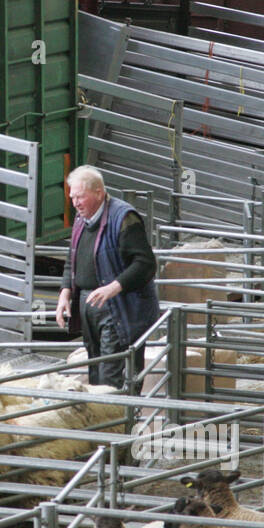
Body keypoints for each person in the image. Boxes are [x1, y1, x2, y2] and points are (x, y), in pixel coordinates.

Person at [54, 166, 161, 388]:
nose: (75, 203)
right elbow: (72, 258)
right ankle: (106, 417)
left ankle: (121, 419)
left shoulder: (123, 218)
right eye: (72, 197)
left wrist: (114, 287)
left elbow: (146, 263)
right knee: (96, 369)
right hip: (89, 305)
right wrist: (65, 292)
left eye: (80, 196)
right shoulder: (81, 218)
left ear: (99, 192)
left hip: (119, 308)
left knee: (113, 373)